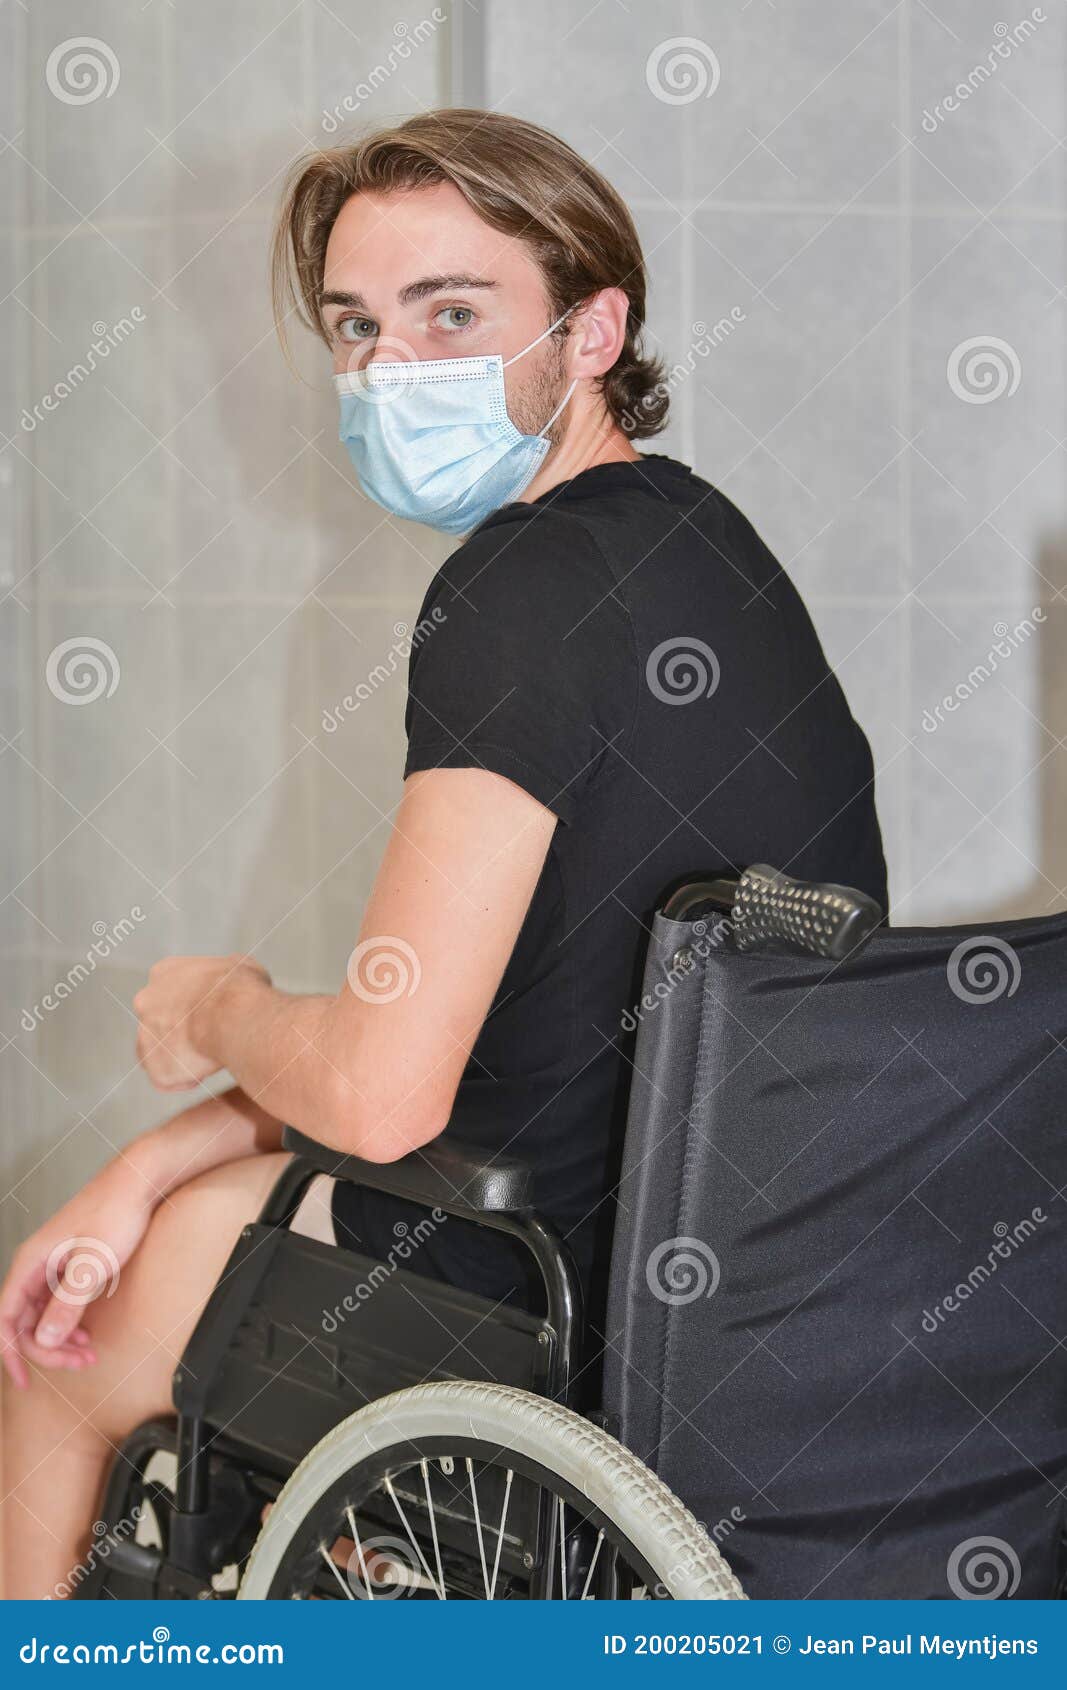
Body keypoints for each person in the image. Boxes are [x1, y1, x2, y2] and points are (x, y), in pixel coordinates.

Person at [0, 109, 888, 1598]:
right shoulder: (711, 547)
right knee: (145, 1233)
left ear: (593, 328)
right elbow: (505, 1044)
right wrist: (158, 1161)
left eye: (452, 314)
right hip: (745, 1278)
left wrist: (210, 1004)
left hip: (529, 1287)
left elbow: (380, 1088)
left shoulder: (511, 593)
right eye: (355, 325)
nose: (387, 370)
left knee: (51, 1358)